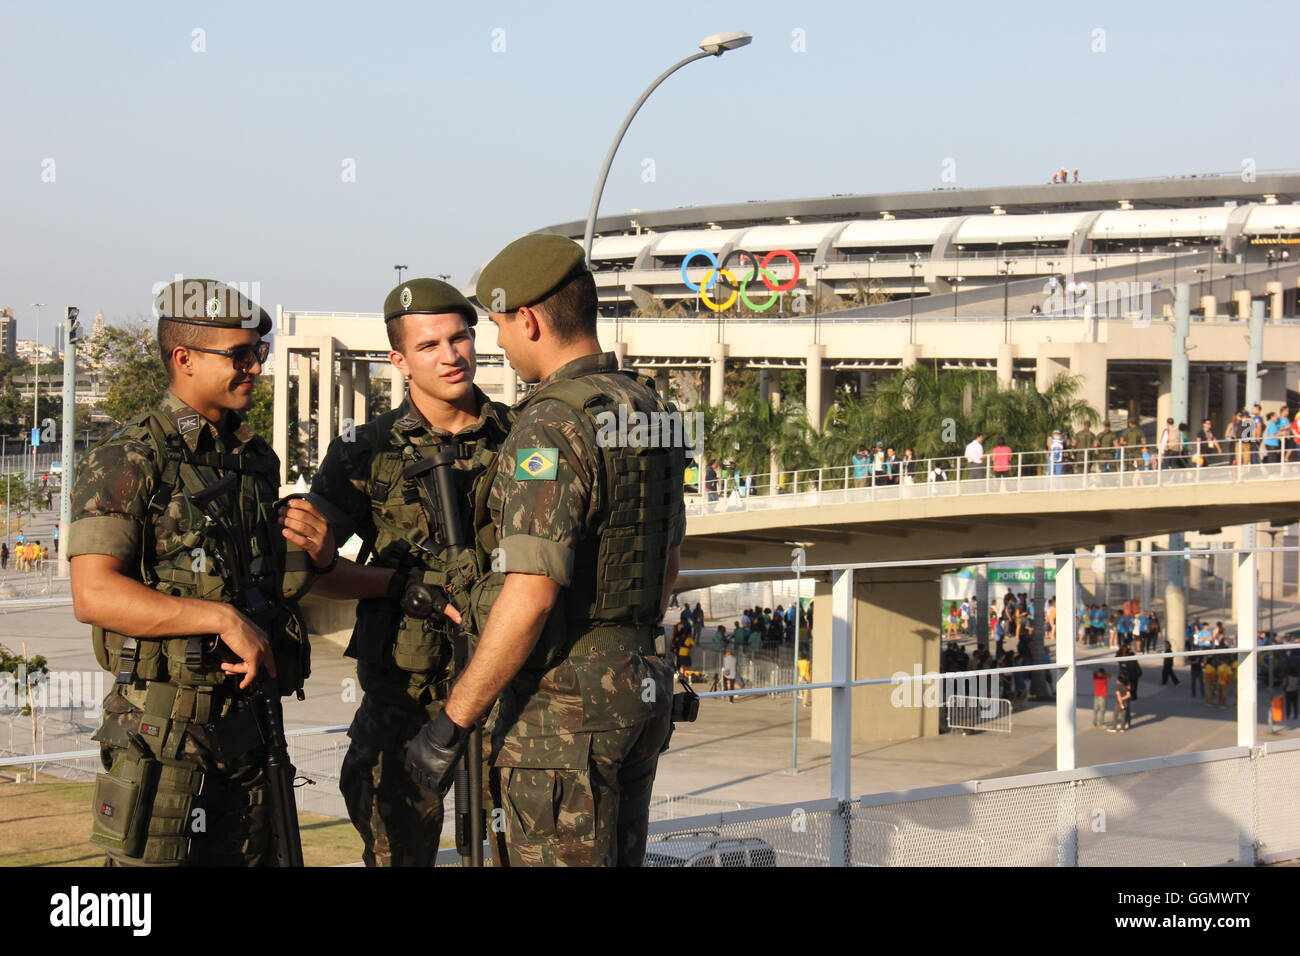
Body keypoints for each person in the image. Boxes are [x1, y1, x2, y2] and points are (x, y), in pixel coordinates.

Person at [405, 234, 684, 867]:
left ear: (528, 320)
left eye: (500, 326)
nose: (497, 343)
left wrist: (450, 726)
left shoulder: (552, 426)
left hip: (564, 715)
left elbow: (529, 597)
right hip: (638, 689)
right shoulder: (647, 406)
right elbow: (667, 568)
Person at [69, 278, 335, 866]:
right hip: (164, 740)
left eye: (258, 353)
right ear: (183, 359)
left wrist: (319, 555)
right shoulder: (130, 456)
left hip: (252, 729)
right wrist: (218, 617)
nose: (255, 368)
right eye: (239, 356)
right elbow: (93, 593)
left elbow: (269, 585)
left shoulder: (252, 461)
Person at [304, 277, 510, 867]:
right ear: (399, 360)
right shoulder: (363, 452)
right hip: (405, 700)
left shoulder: (522, 436)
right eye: (429, 346)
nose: (451, 356)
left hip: (507, 694)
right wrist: (395, 585)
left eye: (460, 337)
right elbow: (317, 570)